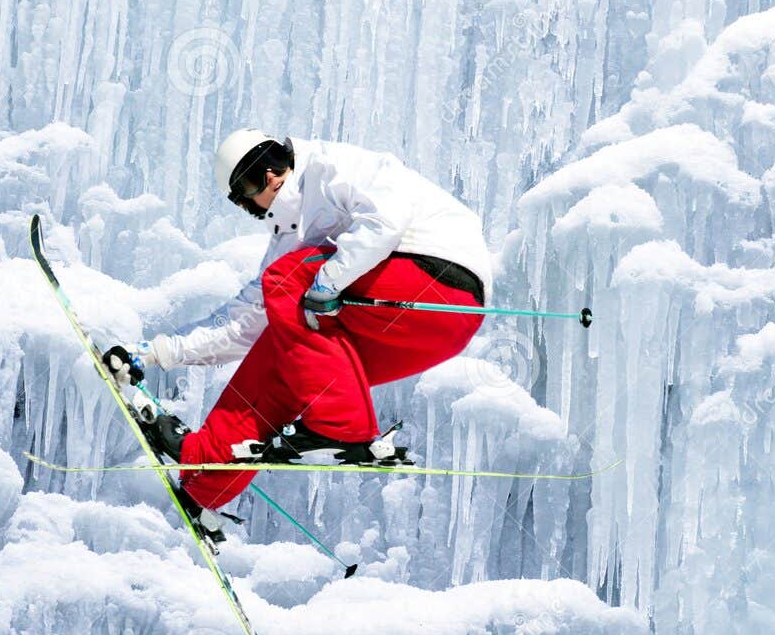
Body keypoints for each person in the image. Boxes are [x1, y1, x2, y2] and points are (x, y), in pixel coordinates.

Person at [106, 129, 493, 537]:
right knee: (284, 354)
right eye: (254, 178)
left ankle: (341, 428)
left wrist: (327, 282)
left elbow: (385, 220)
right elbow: (242, 325)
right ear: (245, 202)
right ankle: (206, 474)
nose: (272, 176)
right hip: (419, 333)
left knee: (287, 284)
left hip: (441, 284)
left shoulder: (329, 167)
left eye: (273, 160)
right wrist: (153, 353)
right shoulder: (287, 243)